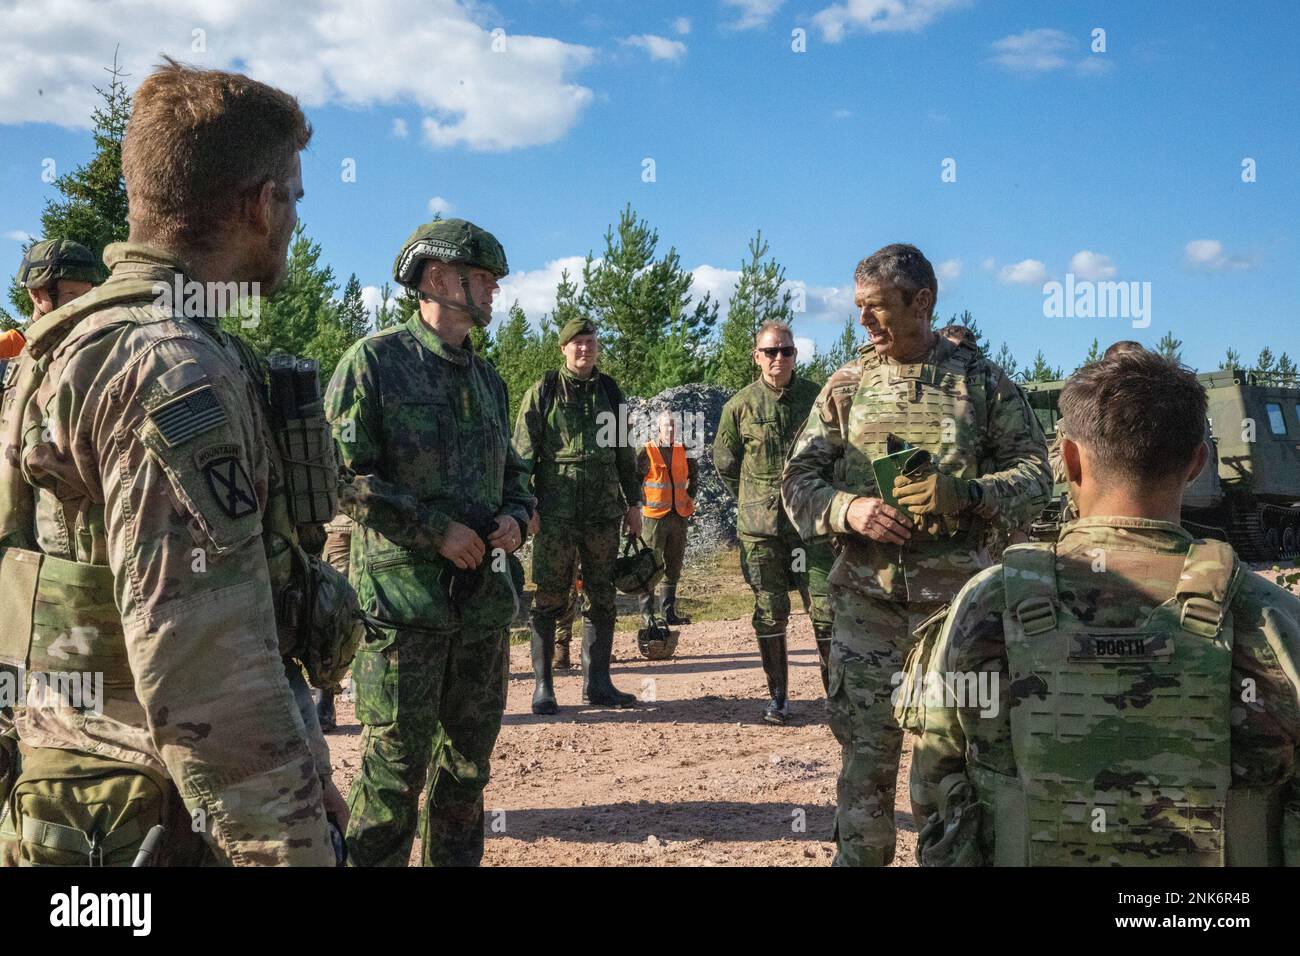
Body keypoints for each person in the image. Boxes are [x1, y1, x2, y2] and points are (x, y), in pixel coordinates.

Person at [0, 59, 341, 866]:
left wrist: (310, 767)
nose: (294, 218)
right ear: (259, 205)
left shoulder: (69, 345)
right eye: (291, 197)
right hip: (154, 817)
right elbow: (204, 666)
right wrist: (289, 842)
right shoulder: (171, 367)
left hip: (80, 800)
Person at [909, 350, 1300, 866]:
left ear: (1068, 460)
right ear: (1197, 463)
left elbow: (934, 781)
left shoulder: (988, 602)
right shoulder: (1268, 612)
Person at [782, 243, 1051, 866]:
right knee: (865, 771)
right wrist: (848, 510)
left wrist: (971, 493)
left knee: (950, 775)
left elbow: (1038, 477)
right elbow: (797, 481)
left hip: (957, 620)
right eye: (859, 309)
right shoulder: (847, 386)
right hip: (867, 610)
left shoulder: (980, 383)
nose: (864, 323)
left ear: (922, 302)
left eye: (876, 308)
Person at [326, 218, 531, 867]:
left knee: (466, 777)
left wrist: (517, 520)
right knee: (392, 783)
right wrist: (434, 530)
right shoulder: (376, 362)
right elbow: (343, 476)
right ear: (438, 279)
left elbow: (519, 478)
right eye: (482, 279)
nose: (494, 292)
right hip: (402, 613)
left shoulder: (489, 383)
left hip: (481, 615)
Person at [515, 318, 642, 714]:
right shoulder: (544, 391)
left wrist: (633, 504)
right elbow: (521, 455)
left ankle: (598, 684)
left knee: (602, 596)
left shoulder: (610, 392)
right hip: (555, 513)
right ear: (563, 349)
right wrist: (525, 505)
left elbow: (625, 454)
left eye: (590, 342)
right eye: (577, 343)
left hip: (603, 513)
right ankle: (543, 687)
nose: (584, 349)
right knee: (550, 596)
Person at [714, 321, 823, 725]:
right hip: (761, 531)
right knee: (770, 609)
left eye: (787, 351)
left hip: (811, 528)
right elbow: (726, 464)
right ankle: (778, 698)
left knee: (826, 609)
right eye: (771, 351)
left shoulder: (818, 399)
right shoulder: (739, 406)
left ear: (796, 355)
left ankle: (836, 697)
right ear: (756, 357)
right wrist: (754, 500)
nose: (779, 358)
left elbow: (838, 452)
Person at [637, 408, 699, 628]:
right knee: (650, 566)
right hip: (654, 518)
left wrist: (690, 496)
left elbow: (694, 475)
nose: (671, 429)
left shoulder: (684, 450)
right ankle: (647, 616)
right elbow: (633, 480)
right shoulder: (646, 451)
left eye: (674, 426)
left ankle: (669, 612)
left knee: (673, 566)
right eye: (667, 426)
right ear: (658, 428)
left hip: (678, 516)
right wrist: (638, 505)